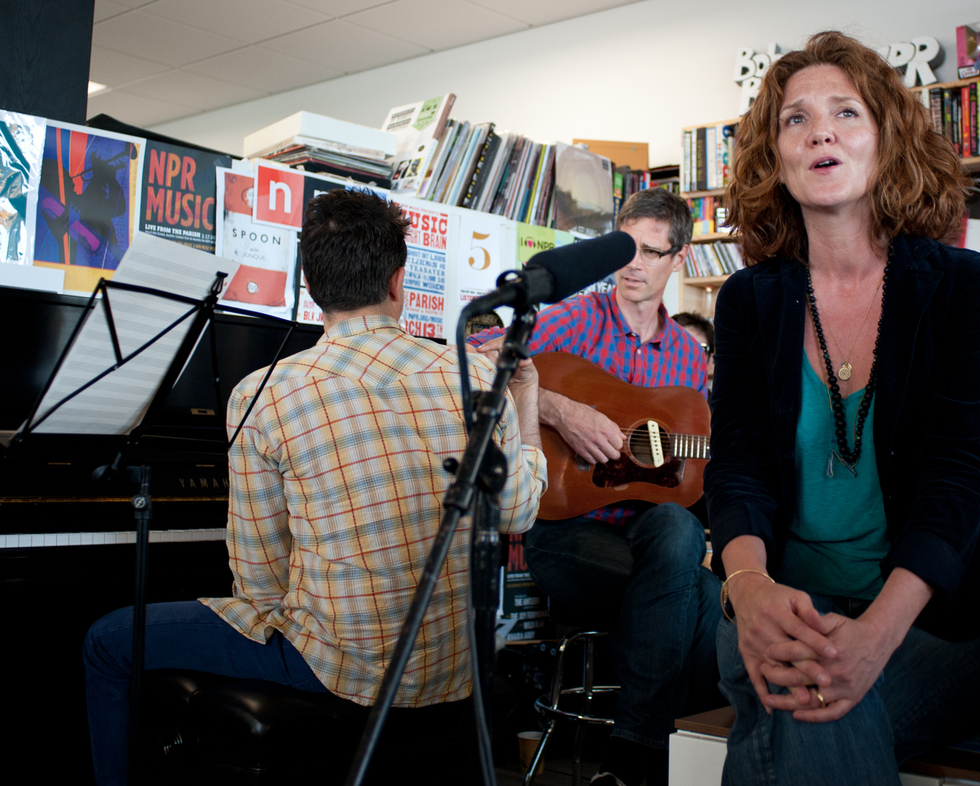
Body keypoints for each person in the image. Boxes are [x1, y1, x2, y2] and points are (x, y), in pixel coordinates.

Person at [82, 189, 546, 785]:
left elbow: (258, 580)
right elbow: (520, 514)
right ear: (400, 280)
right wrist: (528, 397)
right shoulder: (480, 375)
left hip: (341, 670)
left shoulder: (263, 393)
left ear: (309, 287)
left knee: (106, 641)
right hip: (456, 667)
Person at [704, 31, 980, 785]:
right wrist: (749, 590)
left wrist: (875, 636)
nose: (820, 130)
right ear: (775, 159)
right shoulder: (749, 301)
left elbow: (960, 473)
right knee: (806, 680)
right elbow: (739, 464)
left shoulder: (960, 284)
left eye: (845, 112)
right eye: (796, 119)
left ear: (886, 141)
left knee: (806, 700)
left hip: (939, 617)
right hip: (787, 602)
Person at [468, 187, 720, 786]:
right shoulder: (573, 318)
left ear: (678, 259)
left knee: (679, 529)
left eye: (652, 253)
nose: (634, 266)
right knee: (705, 601)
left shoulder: (689, 358)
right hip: (564, 532)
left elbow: (685, 463)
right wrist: (559, 410)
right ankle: (655, 759)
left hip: (646, 535)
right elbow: (481, 361)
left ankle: (634, 765)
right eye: (625, 249)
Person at [672, 311, 716, 395]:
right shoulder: (647, 401)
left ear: (710, 361)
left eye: (699, 349)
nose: (688, 357)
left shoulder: (718, 407)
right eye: (680, 347)